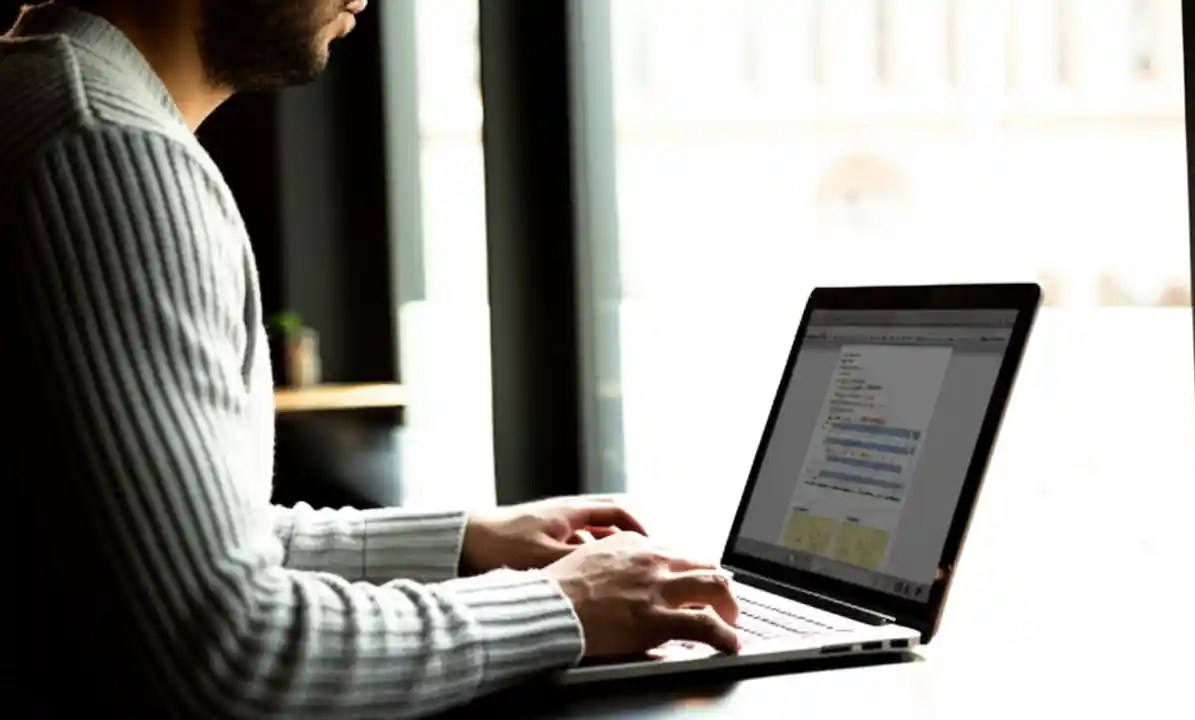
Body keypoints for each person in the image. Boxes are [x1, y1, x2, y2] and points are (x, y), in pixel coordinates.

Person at [0, 1, 740, 716]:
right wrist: (563, 604)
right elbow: (225, 647)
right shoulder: (104, 148)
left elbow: (143, 543)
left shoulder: (47, 96)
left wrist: (463, 542)